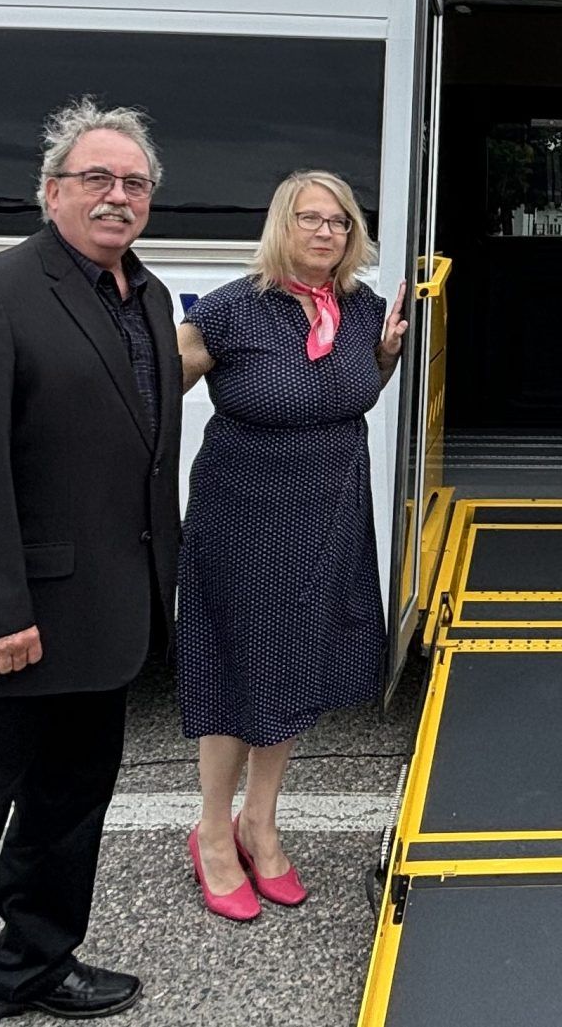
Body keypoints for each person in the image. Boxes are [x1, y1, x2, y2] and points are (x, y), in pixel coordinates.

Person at [0, 100, 181, 1024]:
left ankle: (34, 965)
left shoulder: (150, 297)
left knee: (65, 814)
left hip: (103, 621)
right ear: (52, 191)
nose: (117, 195)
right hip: (7, 626)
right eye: (96, 178)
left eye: (134, 182)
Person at [173, 169, 407, 921]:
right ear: (282, 224)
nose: (326, 232)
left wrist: (387, 357)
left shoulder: (363, 308)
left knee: (295, 662)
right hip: (244, 513)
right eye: (310, 218)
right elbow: (152, 387)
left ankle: (261, 822)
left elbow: (352, 388)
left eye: (339, 222)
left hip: (328, 510)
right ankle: (213, 831)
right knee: (233, 665)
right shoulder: (231, 308)